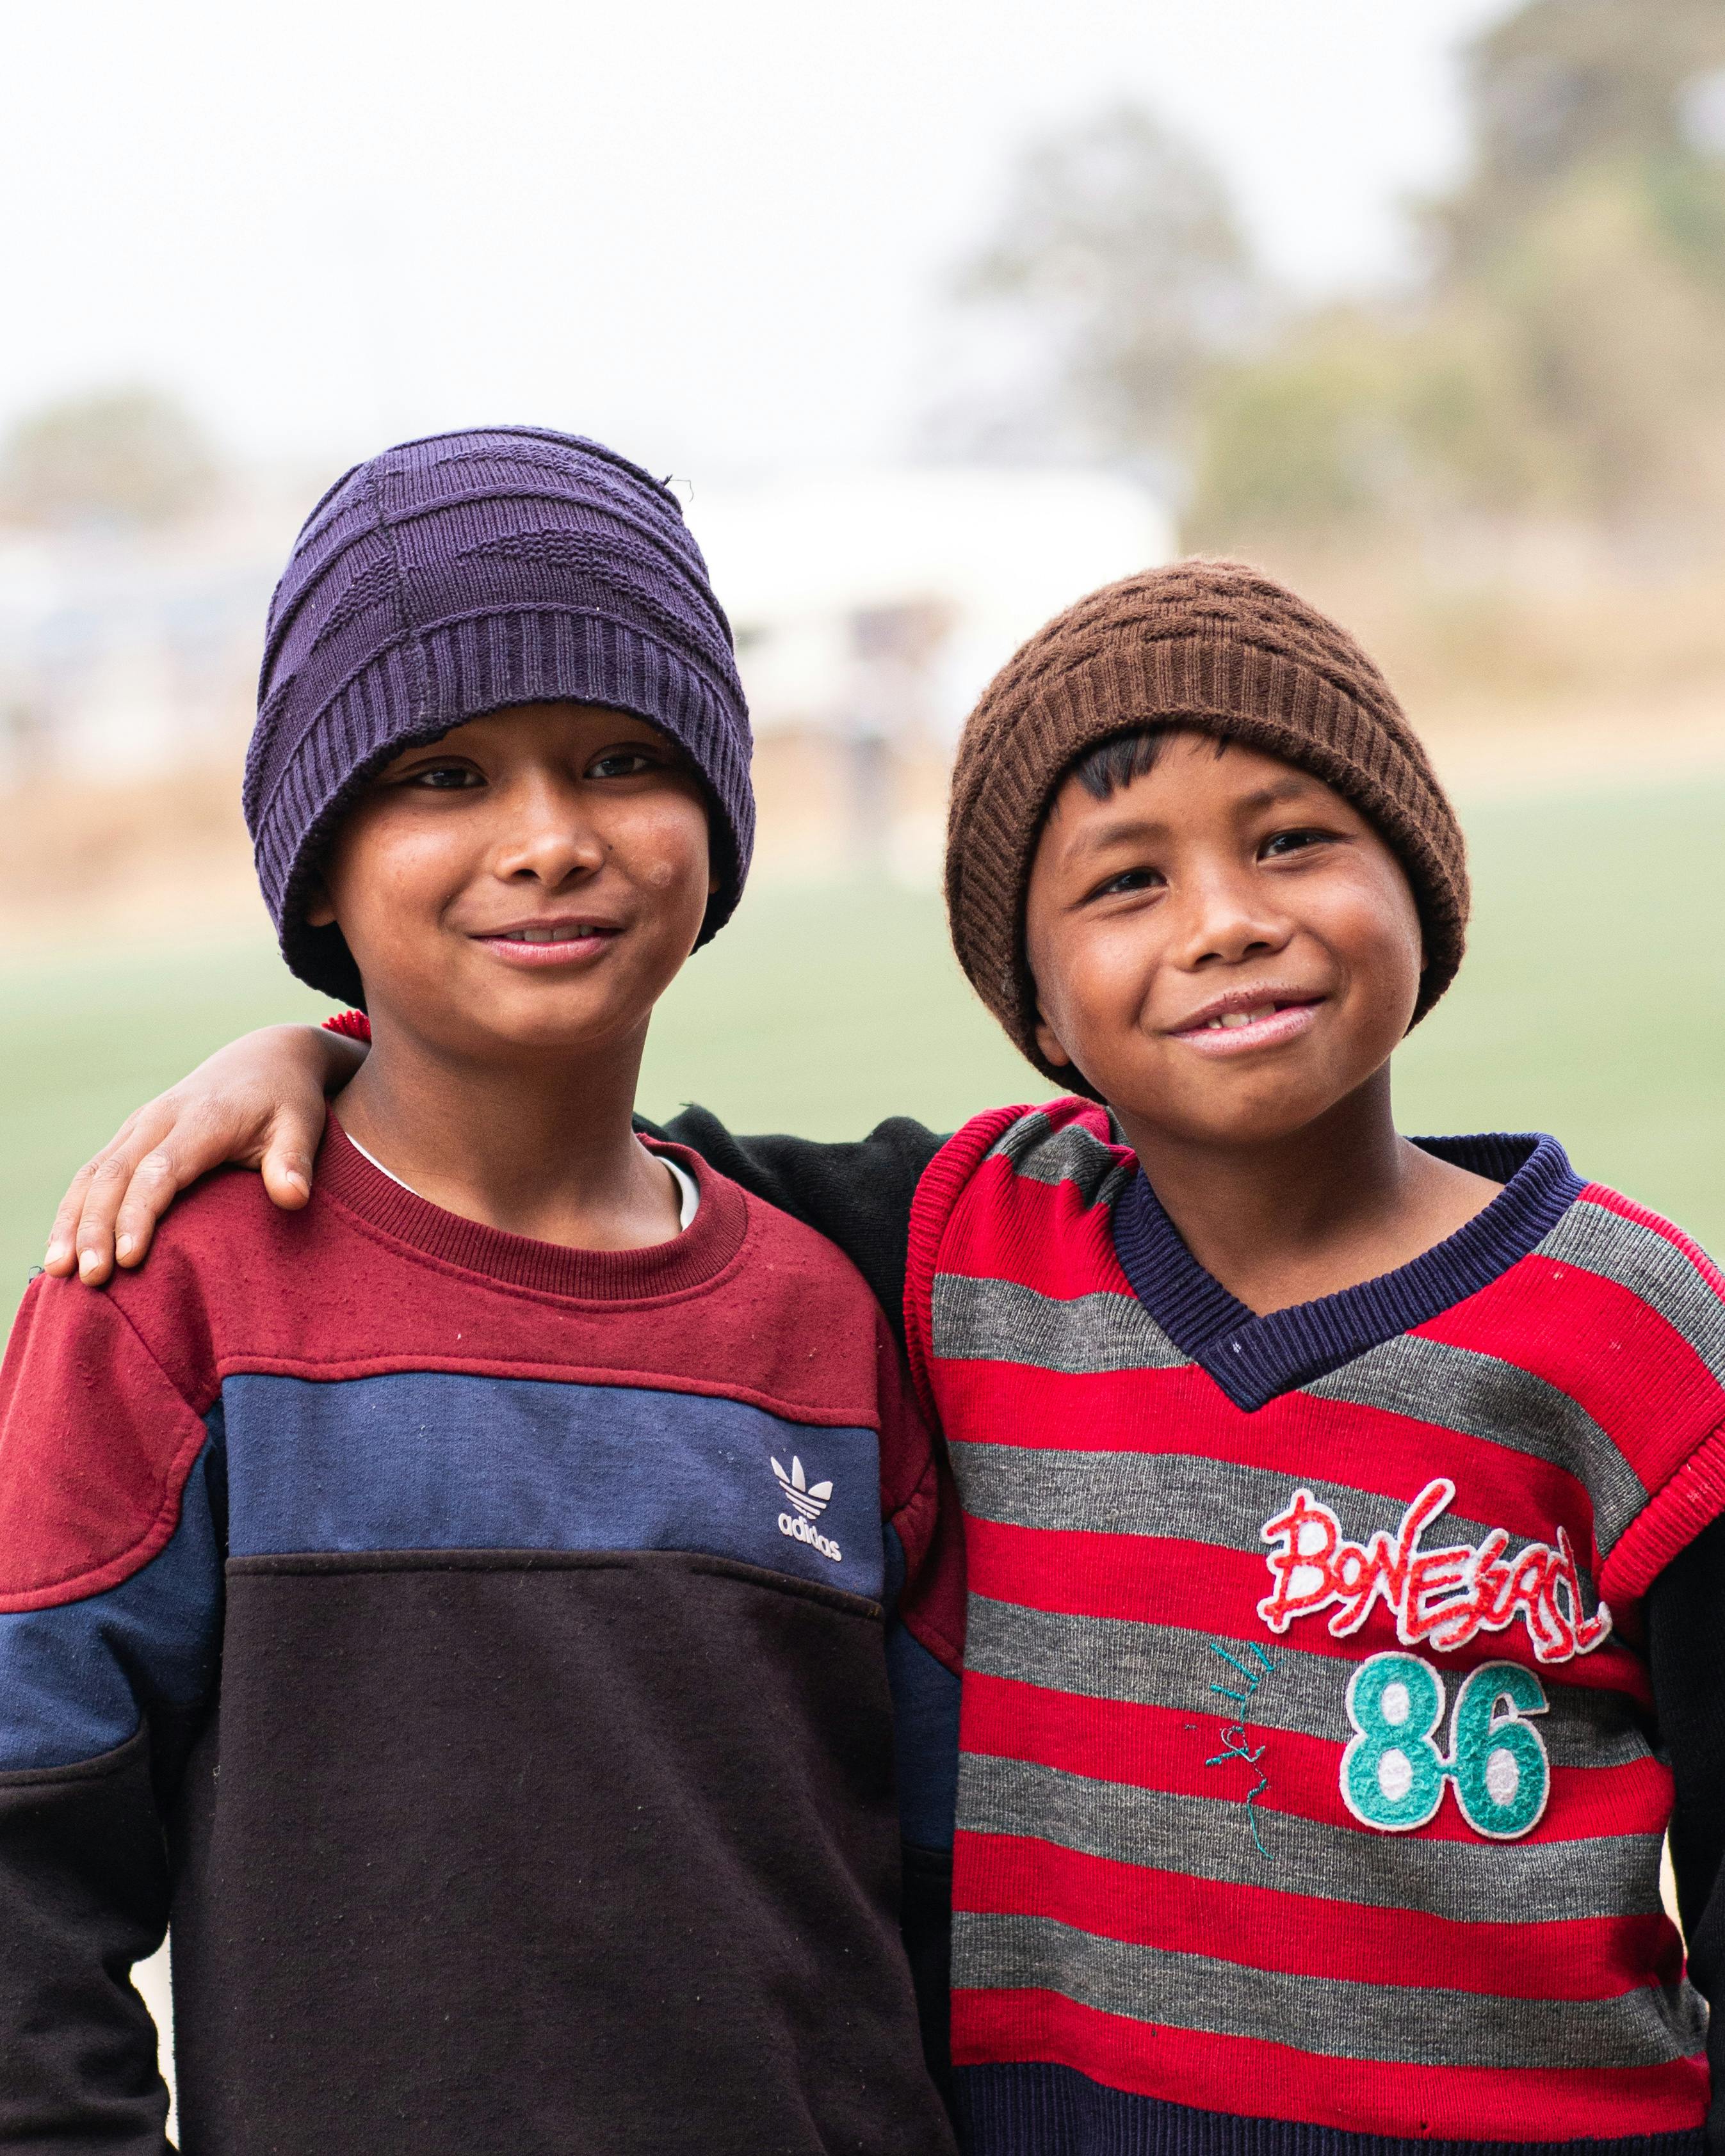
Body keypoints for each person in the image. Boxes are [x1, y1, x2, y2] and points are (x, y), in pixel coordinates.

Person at [45, 561, 1725, 2152]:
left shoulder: (1639, 1338)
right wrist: (320, 1050)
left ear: (1425, 885)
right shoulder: (964, 1242)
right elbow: (557, 1159)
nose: (1224, 921)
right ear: (1038, 1005)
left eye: (1293, 842)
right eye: (1128, 880)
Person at [0, 427, 963, 2156]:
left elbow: (950, 1882)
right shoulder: (173, 1295)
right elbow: (19, 1878)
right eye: (442, 776)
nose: (546, 839)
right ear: (316, 852)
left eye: (617, 760)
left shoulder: (840, 1308)